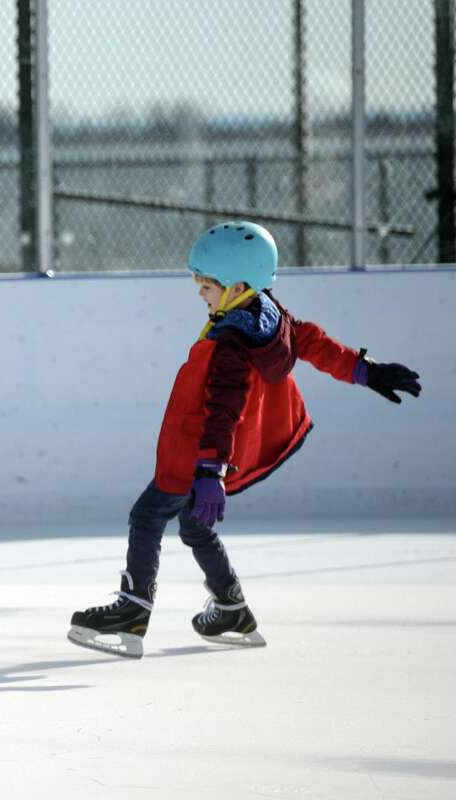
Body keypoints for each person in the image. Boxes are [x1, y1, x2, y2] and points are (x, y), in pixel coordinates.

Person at [66, 221, 421, 659]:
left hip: (194, 452)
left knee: (146, 517)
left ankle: (132, 611)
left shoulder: (232, 342)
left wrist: (210, 470)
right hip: (204, 454)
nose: (200, 293)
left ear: (237, 286)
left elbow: (223, 410)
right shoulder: (266, 314)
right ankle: (231, 607)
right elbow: (309, 340)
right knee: (195, 525)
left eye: (206, 285)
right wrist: (364, 371)